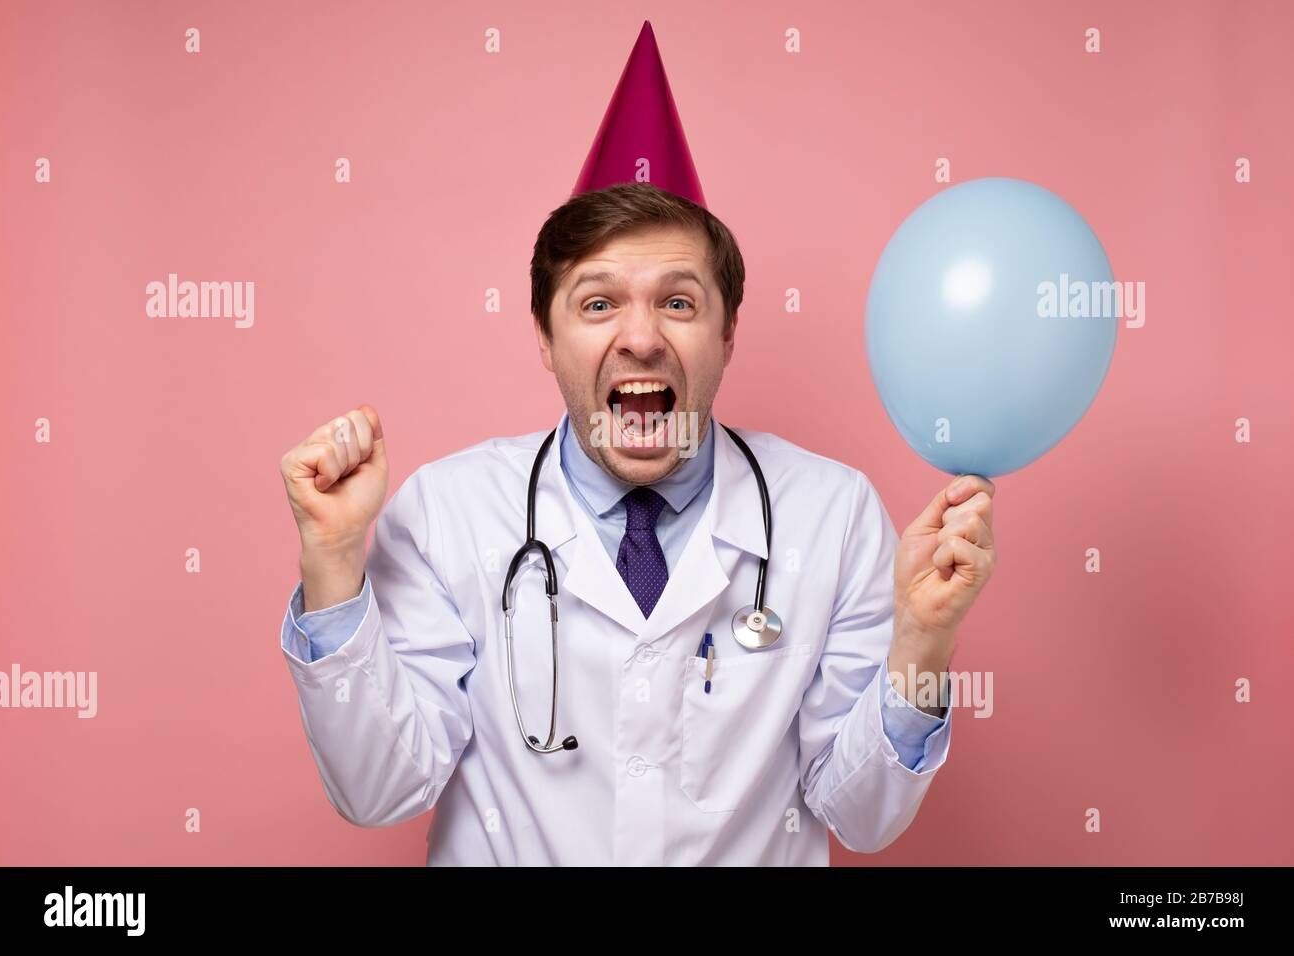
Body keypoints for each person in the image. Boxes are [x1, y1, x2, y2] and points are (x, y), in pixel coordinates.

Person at [276, 24, 997, 867]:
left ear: (728, 335)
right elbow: (379, 790)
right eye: (597, 304)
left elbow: (863, 818)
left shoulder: (833, 516)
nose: (643, 338)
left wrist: (922, 644)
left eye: (680, 303)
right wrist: (330, 562)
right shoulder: (447, 513)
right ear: (545, 339)